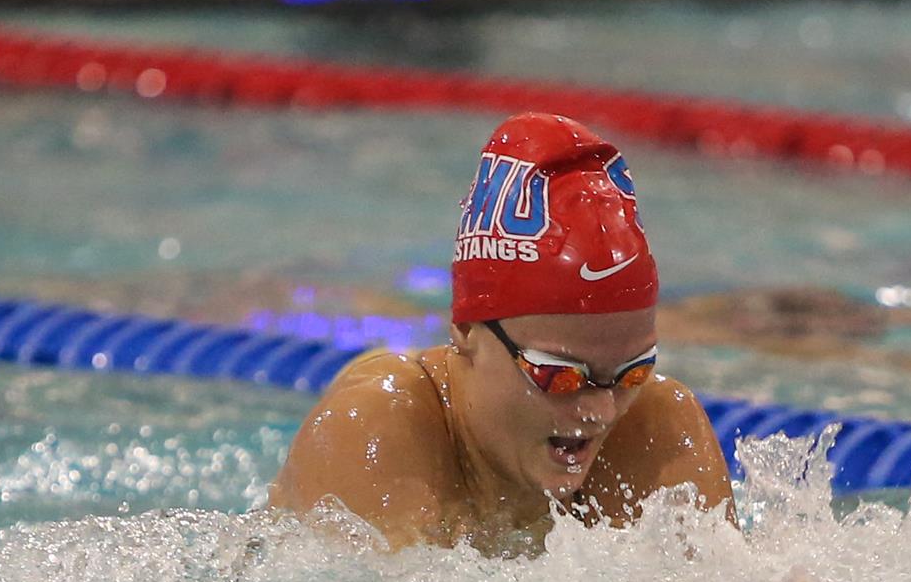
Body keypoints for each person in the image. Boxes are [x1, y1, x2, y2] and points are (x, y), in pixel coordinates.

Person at [270, 112, 734, 556]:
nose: (600, 410)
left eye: (632, 374)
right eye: (560, 376)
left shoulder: (657, 428)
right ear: (466, 331)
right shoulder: (373, 425)